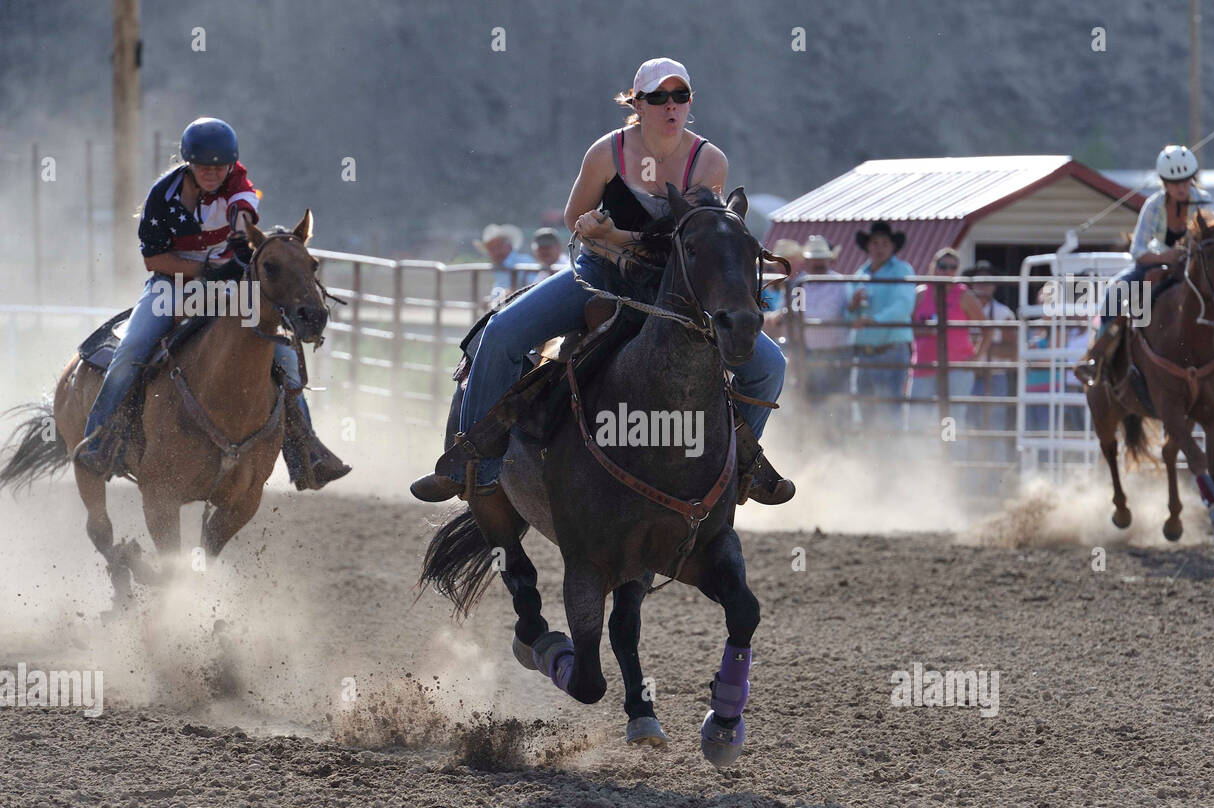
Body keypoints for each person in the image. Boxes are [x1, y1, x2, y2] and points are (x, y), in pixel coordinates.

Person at [417, 57, 791, 504]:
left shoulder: (708, 160)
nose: (670, 106)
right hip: (598, 274)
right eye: (657, 97)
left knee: (770, 366)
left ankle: (740, 465)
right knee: (500, 333)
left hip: (671, 287)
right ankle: (473, 460)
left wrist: (615, 233)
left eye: (680, 96)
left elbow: (688, 235)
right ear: (637, 102)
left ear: (689, 102)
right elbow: (575, 216)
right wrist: (592, 226)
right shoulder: (606, 152)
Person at [74, 117, 349, 489]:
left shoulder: (237, 182)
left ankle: (307, 450)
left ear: (229, 165)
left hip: (230, 285)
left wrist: (239, 235)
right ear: (188, 163)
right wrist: (204, 266)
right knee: (132, 348)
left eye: (219, 167)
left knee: (285, 359)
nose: (212, 173)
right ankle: (99, 439)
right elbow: (154, 261)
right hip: (171, 286)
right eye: (204, 167)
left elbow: (243, 210)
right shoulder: (162, 197)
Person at [1074, 144, 1211, 384]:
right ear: (1165, 183)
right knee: (1116, 291)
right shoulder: (1153, 206)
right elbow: (1138, 250)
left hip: (1194, 269)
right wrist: (1164, 258)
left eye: (1185, 181)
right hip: (1154, 268)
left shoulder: (1204, 204)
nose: (1181, 187)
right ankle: (1099, 354)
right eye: (1174, 182)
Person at [845, 221, 916, 427]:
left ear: (893, 247)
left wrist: (873, 320)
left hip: (890, 350)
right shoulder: (860, 274)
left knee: (890, 409)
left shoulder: (903, 270)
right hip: (865, 352)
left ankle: (890, 456)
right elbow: (849, 314)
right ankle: (870, 455)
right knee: (866, 409)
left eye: (885, 243)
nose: (879, 248)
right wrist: (853, 306)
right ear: (868, 246)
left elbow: (903, 306)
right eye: (875, 243)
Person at [907, 248, 984, 428]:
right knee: (918, 419)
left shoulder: (964, 294)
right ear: (933, 267)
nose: (947, 271)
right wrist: (925, 330)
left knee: (952, 419)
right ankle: (920, 455)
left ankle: (952, 455)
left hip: (956, 367)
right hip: (923, 365)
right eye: (942, 266)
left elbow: (986, 326)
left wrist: (978, 355)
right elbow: (907, 327)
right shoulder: (920, 294)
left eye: (952, 267)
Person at [792, 236, 853, 402]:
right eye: (814, 259)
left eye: (821, 259)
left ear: (829, 260)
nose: (818, 263)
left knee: (837, 399)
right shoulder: (800, 283)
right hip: (810, 352)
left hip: (836, 353)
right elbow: (795, 313)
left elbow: (829, 313)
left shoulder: (840, 283)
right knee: (812, 399)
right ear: (806, 261)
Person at [968, 260, 1017, 431]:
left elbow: (1014, 352)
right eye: (979, 280)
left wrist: (984, 346)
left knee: (993, 426)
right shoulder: (961, 309)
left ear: (994, 286)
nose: (982, 285)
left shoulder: (1004, 314)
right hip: (966, 375)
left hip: (994, 375)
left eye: (987, 281)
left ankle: (995, 458)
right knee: (965, 424)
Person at [476, 224, 534, 306]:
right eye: (490, 249)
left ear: (509, 245)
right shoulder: (499, 266)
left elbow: (533, 288)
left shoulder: (524, 262)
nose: (494, 252)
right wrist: (491, 299)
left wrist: (508, 296)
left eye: (497, 246)